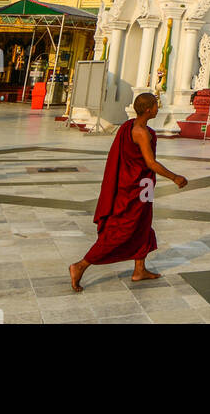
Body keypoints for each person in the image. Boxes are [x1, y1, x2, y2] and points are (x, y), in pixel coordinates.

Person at [70, 93, 187, 291]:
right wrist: (175, 177)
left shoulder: (130, 126)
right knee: (122, 230)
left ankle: (139, 270)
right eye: (156, 105)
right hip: (135, 188)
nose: (158, 108)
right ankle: (81, 265)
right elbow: (150, 162)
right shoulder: (140, 131)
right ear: (149, 109)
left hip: (144, 186)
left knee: (144, 224)